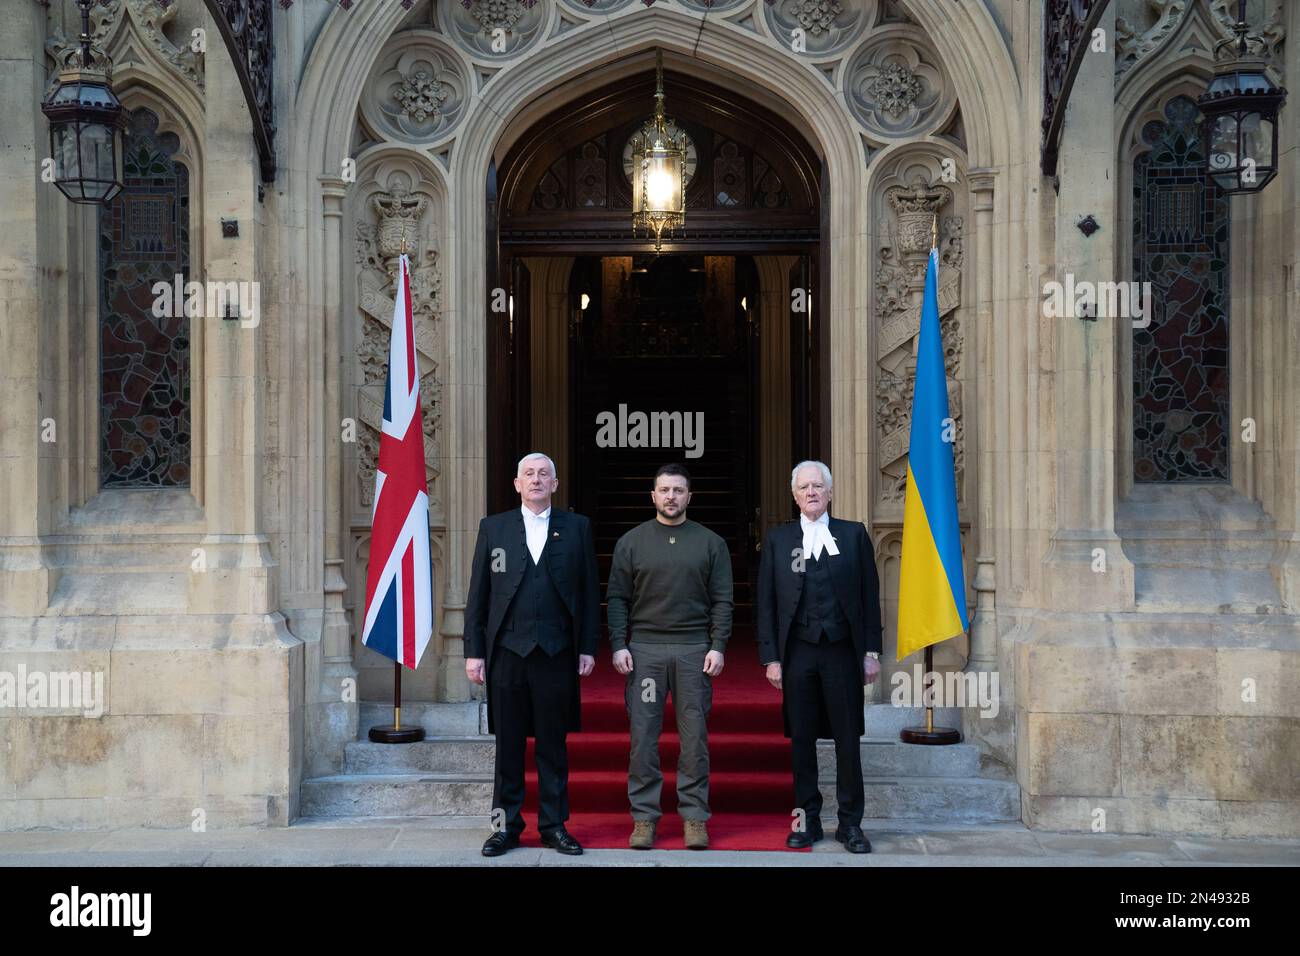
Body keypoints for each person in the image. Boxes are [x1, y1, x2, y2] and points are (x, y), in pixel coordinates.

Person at [464, 453, 599, 857]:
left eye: (544, 474)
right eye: (529, 474)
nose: (536, 479)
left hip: (557, 653)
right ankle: (504, 829)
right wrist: (474, 652)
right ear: (517, 484)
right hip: (507, 653)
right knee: (507, 747)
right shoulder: (494, 528)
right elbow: (478, 595)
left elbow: (589, 592)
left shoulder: (577, 528)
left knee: (552, 746)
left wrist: (587, 646)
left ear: (555, 484)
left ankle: (554, 827)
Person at [755, 460, 882, 853]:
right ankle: (806, 821)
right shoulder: (778, 540)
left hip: (842, 651)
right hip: (797, 654)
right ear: (794, 496)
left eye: (817, 486)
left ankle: (850, 824)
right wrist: (771, 658)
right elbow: (766, 604)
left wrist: (871, 651)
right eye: (804, 487)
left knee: (848, 740)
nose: (811, 492)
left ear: (829, 492)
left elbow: (870, 597)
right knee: (801, 740)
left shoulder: (853, 534)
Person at [607, 463, 733, 850]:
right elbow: (617, 597)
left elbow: (723, 600)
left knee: (694, 740)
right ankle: (644, 817)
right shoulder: (631, 542)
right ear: (653, 496)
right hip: (646, 652)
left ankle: (694, 816)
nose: (671, 497)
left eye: (678, 490)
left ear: (689, 496)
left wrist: (718, 645)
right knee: (644, 737)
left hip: (694, 651)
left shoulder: (711, 543)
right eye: (664, 490)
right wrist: (619, 643)